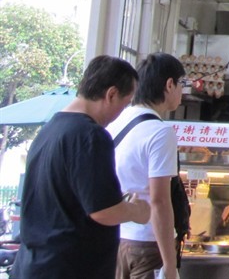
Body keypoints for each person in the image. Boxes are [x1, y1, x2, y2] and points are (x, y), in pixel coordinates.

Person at [13, 55, 151, 279]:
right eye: (124, 104)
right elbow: (103, 211)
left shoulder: (49, 129)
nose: (120, 114)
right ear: (111, 94)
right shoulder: (90, 135)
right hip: (69, 267)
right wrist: (138, 211)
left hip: (34, 263)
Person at [107, 52, 187, 279]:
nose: (183, 90)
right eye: (182, 83)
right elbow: (159, 201)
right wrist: (170, 265)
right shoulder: (160, 132)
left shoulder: (116, 122)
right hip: (147, 244)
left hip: (117, 237)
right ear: (169, 84)